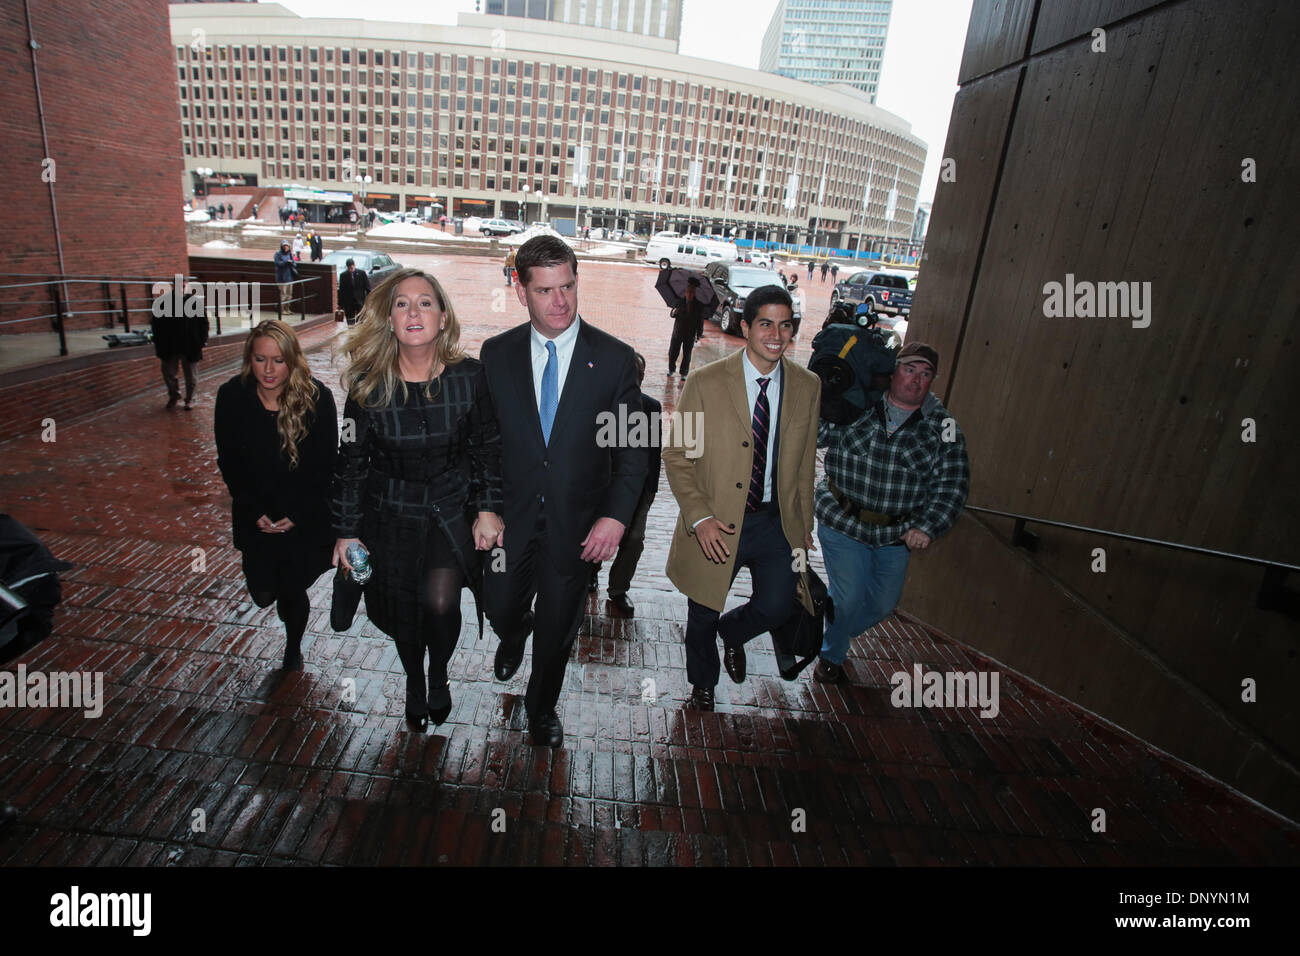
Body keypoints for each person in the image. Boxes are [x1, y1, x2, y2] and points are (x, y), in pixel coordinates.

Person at [480, 235, 647, 747]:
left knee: (558, 628)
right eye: (545, 290)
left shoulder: (615, 359)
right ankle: (514, 632)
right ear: (521, 291)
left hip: (577, 528)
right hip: (510, 522)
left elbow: (634, 450)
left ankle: (541, 707)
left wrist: (615, 518)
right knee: (499, 604)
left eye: (568, 286)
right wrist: (486, 507)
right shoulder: (497, 354)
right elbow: (484, 442)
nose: (561, 301)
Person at [331, 269, 503, 731]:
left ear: (443, 317)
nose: (414, 312)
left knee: (441, 602)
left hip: (450, 511)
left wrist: (488, 508)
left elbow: (487, 449)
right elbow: (351, 464)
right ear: (389, 319)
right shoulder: (367, 386)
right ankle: (413, 678)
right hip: (390, 518)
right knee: (404, 610)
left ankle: (438, 673)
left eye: (425, 302)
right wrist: (346, 532)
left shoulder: (471, 377)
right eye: (402, 303)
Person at [663, 285, 820, 711]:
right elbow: (677, 455)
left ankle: (732, 634)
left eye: (784, 325)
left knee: (778, 605)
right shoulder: (706, 382)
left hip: (775, 522)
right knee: (703, 611)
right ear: (746, 327)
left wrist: (804, 524)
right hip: (716, 521)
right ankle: (702, 682)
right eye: (766, 323)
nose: (776, 334)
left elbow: (805, 463)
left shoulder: (808, 386)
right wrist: (700, 517)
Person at [813, 342, 970, 684]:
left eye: (925, 374)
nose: (916, 379)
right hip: (842, 522)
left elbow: (953, 485)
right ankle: (831, 655)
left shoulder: (943, 426)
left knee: (883, 604)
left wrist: (927, 527)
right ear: (893, 370)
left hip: (895, 535)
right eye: (909, 369)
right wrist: (824, 393)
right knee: (848, 597)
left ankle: (829, 628)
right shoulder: (860, 404)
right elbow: (815, 433)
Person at [215, 320, 337, 671]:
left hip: (302, 513)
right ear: (249, 359)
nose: (268, 370)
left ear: (292, 360)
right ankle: (282, 597)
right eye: (260, 359)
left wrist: (297, 513)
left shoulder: (316, 398)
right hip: (256, 512)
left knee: (291, 587)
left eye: (278, 360)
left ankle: (292, 649)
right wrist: (252, 510)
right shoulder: (232, 396)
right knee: (263, 592)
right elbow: (229, 461)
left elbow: (326, 465)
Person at [590, 352, 661, 617]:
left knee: (634, 540)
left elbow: (654, 452)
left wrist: (651, 489)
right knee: (594, 533)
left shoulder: (651, 407)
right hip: (601, 487)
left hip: (639, 489)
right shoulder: (599, 403)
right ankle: (590, 575)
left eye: (638, 375)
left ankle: (619, 589)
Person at [150, 302, 208, 411]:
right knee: (168, 373)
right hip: (169, 346)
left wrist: (202, 340)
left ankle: (190, 399)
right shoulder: (163, 303)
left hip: (190, 346)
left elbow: (203, 323)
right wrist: (158, 341)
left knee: (191, 375)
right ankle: (174, 395)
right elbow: (155, 324)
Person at [667, 276, 707, 378]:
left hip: (690, 334)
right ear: (685, 292)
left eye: (692, 293)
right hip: (677, 332)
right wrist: (674, 312)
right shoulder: (679, 302)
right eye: (688, 292)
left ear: (694, 294)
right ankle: (671, 369)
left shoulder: (699, 306)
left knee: (687, 355)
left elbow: (700, 321)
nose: (689, 294)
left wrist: (699, 333)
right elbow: (672, 314)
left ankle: (684, 373)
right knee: (673, 352)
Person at [337, 258, 371, 326]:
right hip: (349, 302)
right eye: (349, 268)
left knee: (360, 318)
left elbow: (367, 287)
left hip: (360, 300)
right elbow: (341, 290)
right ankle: (351, 329)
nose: (350, 270)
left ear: (354, 265)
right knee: (350, 319)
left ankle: (359, 329)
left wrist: (369, 298)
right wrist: (340, 304)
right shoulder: (343, 275)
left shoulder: (361, 273)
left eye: (352, 268)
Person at [274, 240, 297, 316]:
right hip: (281, 278)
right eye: (284, 246)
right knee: (283, 294)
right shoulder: (278, 254)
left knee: (289, 295)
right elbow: (277, 263)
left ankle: (287, 309)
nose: (286, 247)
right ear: (282, 246)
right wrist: (286, 262)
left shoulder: (290, 254)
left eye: (287, 246)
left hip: (289, 277)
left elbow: (294, 264)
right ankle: (282, 310)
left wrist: (291, 262)